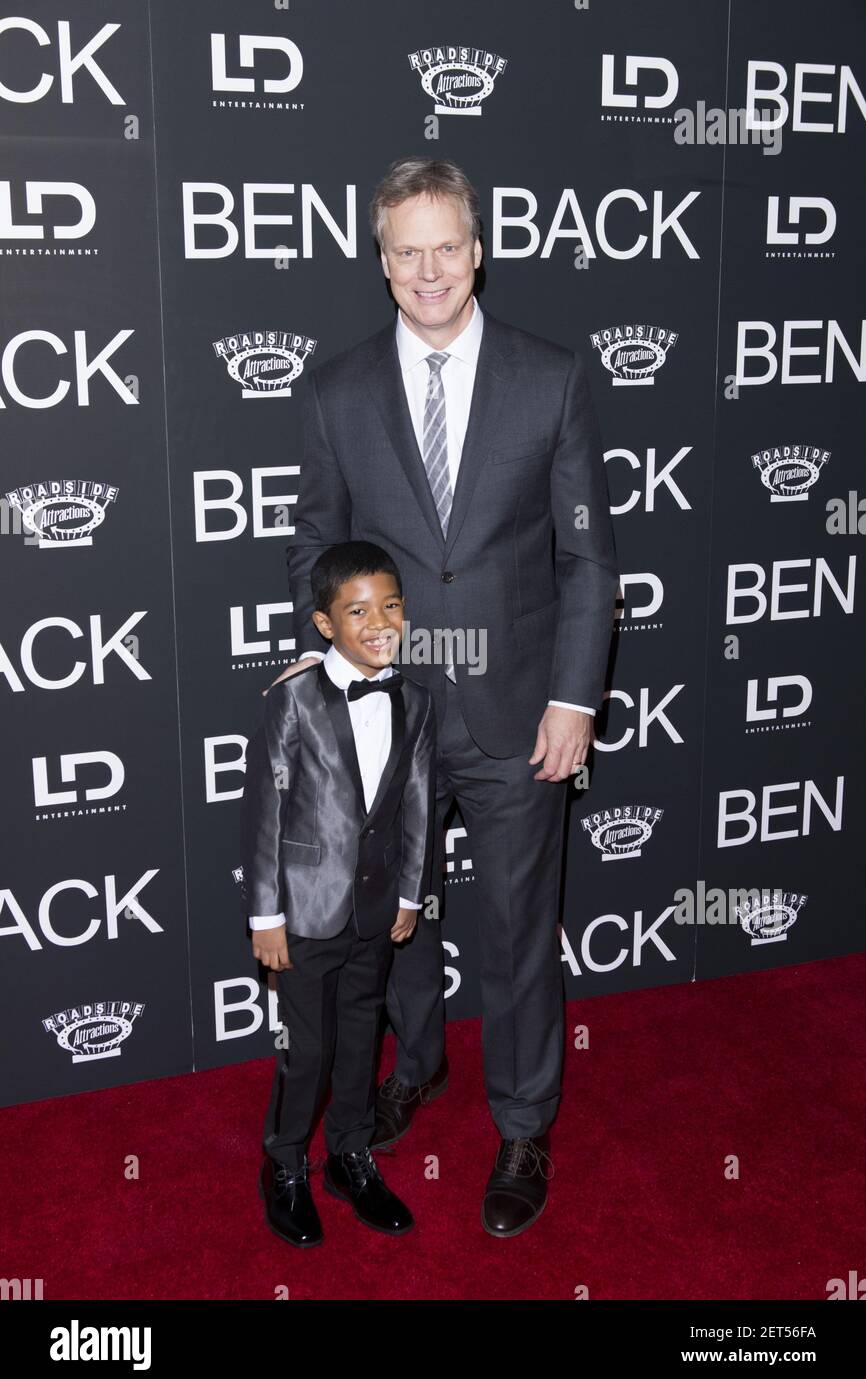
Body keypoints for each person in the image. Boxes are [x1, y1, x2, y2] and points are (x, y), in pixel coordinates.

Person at [271, 156, 619, 1237]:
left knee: (520, 928)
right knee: (390, 932)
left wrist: (574, 698)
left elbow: (588, 560)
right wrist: (340, 658)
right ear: (381, 264)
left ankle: (522, 1123)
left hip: (518, 710)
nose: (427, 270)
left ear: (478, 251)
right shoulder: (334, 391)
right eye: (403, 251)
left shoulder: (549, 376)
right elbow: (313, 550)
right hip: (390, 715)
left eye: (444, 246)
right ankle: (409, 1069)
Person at [241, 540, 436, 1247]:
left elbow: (417, 805)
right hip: (304, 913)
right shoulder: (290, 699)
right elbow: (263, 814)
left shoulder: (415, 699)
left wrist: (411, 897)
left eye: (390, 606)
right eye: (357, 611)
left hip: (378, 909)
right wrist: (266, 916)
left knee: (362, 1037)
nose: (378, 622)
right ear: (326, 624)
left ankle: (351, 1154)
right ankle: (284, 1162)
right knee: (310, 1048)